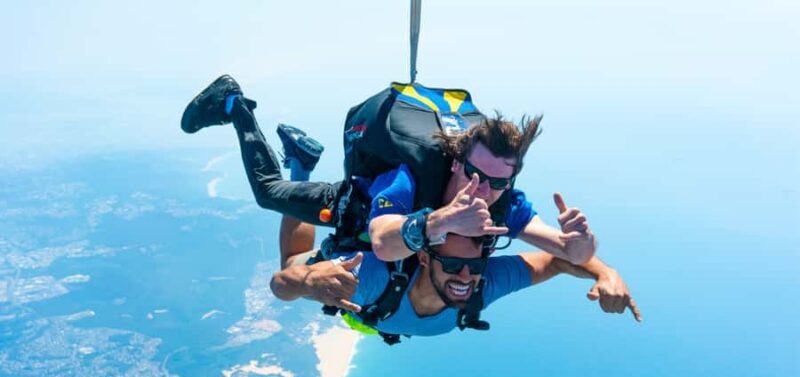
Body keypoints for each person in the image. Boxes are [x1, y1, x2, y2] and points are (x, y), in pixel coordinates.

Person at [180, 75, 595, 269]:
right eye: (475, 174)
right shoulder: (408, 177)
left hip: (411, 238)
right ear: (456, 162)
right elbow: (383, 240)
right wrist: (442, 221)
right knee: (268, 192)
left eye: (499, 182)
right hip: (356, 206)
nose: (484, 190)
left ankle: (302, 158)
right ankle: (235, 104)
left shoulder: (506, 203)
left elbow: (568, 252)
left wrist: (579, 244)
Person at [270, 232, 642, 340]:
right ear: (424, 259)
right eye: (451, 265)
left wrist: (606, 273)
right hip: (364, 289)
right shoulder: (370, 276)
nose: (465, 277)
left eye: (475, 266)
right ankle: (301, 163)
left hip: (378, 317)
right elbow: (279, 286)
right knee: (292, 261)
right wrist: (307, 280)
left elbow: (558, 259)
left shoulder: (486, 282)